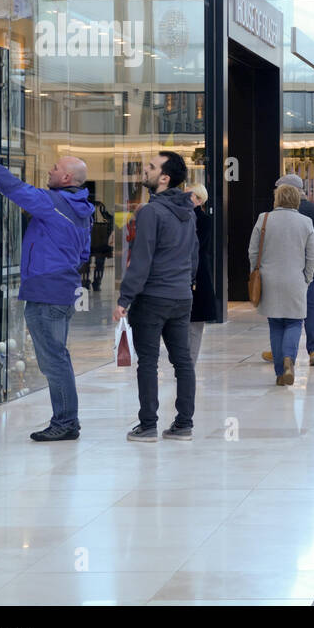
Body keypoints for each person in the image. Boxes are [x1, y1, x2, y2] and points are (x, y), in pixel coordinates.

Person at [0, 137, 92, 442]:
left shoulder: (52, 203)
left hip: (47, 293)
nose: (50, 170)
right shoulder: (82, 209)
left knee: (53, 360)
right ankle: (67, 419)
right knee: (58, 357)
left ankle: (66, 421)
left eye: (55, 168)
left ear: (66, 178)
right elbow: (83, 256)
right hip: (62, 290)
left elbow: (12, 186)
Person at [115, 151, 199, 442]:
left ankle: (148, 425)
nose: (145, 171)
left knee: (148, 362)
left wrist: (124, 299)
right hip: (181, 296)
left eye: (151, 167)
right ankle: (184, 424)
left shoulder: (150, 212)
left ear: (164, 178)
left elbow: (141, 260)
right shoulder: (188, 212)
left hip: (152, 298)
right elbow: (194, 255)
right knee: (183, 361)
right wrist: (187, 283)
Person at [249, 182, 314, 386]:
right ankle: (289, 359)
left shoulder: (264, 219)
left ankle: (280, 372)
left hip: (269, 280)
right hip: (295, 279)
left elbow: (253, 251)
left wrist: (256, 271)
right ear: (297, 200)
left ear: (277, 199)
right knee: (295, 322)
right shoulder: (306, 222)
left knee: (276, 324)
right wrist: (307, 277)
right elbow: (311, 256)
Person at [261, 175, 314, 366]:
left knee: (279, 314)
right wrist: (310, 263)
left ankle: (281, 353)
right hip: (306, 272)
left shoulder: (274, 214)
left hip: (278, 272)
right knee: (309, 311)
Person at [186, 183, 216, 366]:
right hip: (183, 274)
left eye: (189, 195)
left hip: (198, 274)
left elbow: (195, 245)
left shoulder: (203, 220)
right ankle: (184, 362)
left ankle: (189, 363)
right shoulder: (180, 216)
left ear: (199, 199)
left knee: (195, 324)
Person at [84, 194, 115, 290]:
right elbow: (110, 221)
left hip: (90, 240)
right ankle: (96, 283)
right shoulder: (100, 206)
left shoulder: (86, 206)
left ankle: (86, 282)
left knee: (87, 263)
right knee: (99, 263)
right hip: (101, 240)